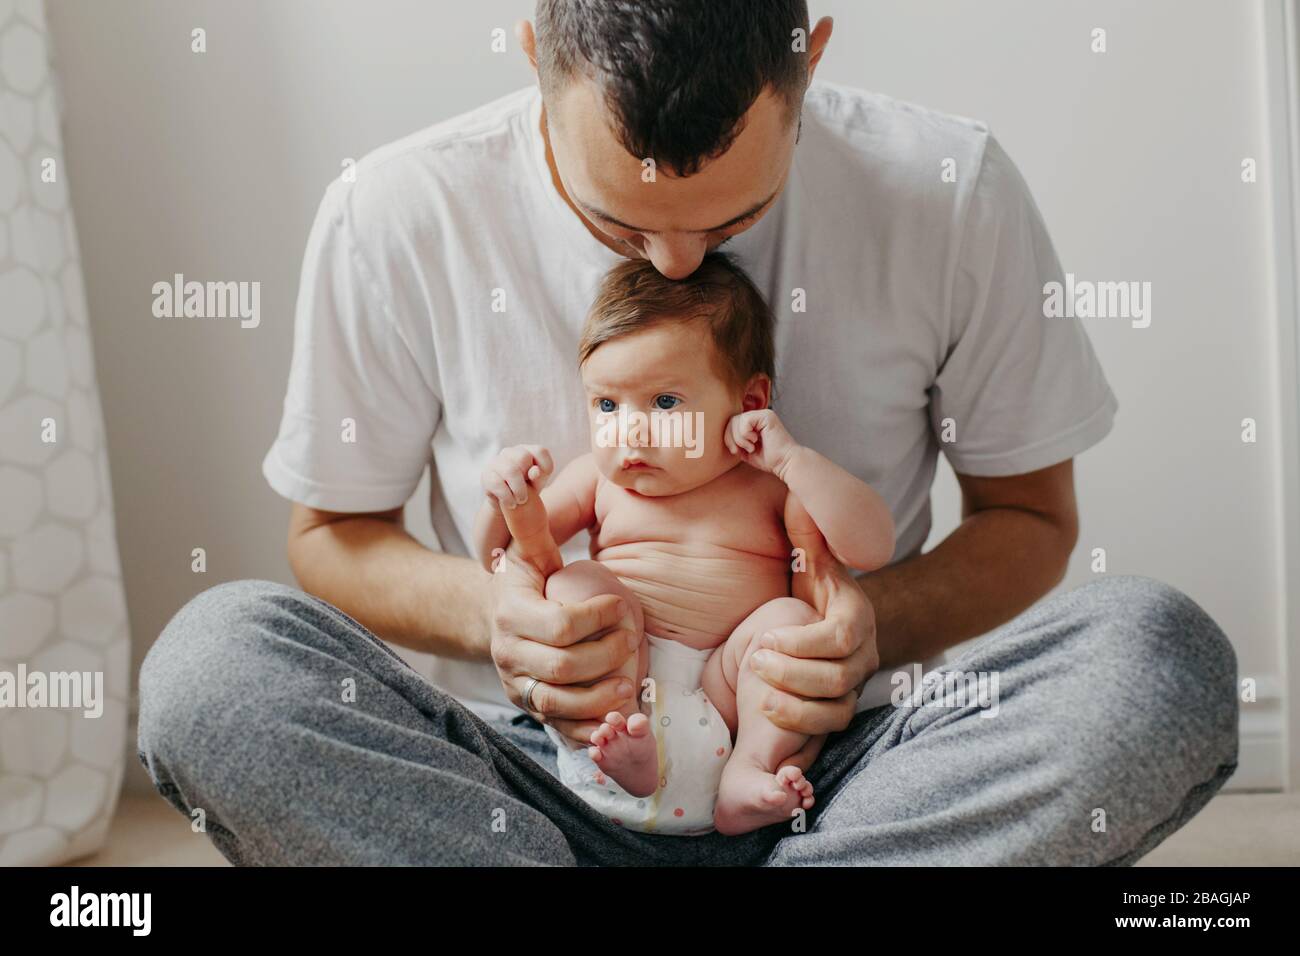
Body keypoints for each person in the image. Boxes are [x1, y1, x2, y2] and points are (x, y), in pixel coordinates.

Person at [137, 0, 1239, 865]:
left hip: (844, 772)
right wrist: (505, 623)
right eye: (616, 220)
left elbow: (1032, 519)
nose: (673, 267)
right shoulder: (393, 212)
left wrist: (860, 634)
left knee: (1155, 656)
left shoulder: (950, 191)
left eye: (732, 219)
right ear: (533, 53)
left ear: (808, 59)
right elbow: (331, 529)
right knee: (212, 668)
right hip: (528, 778)